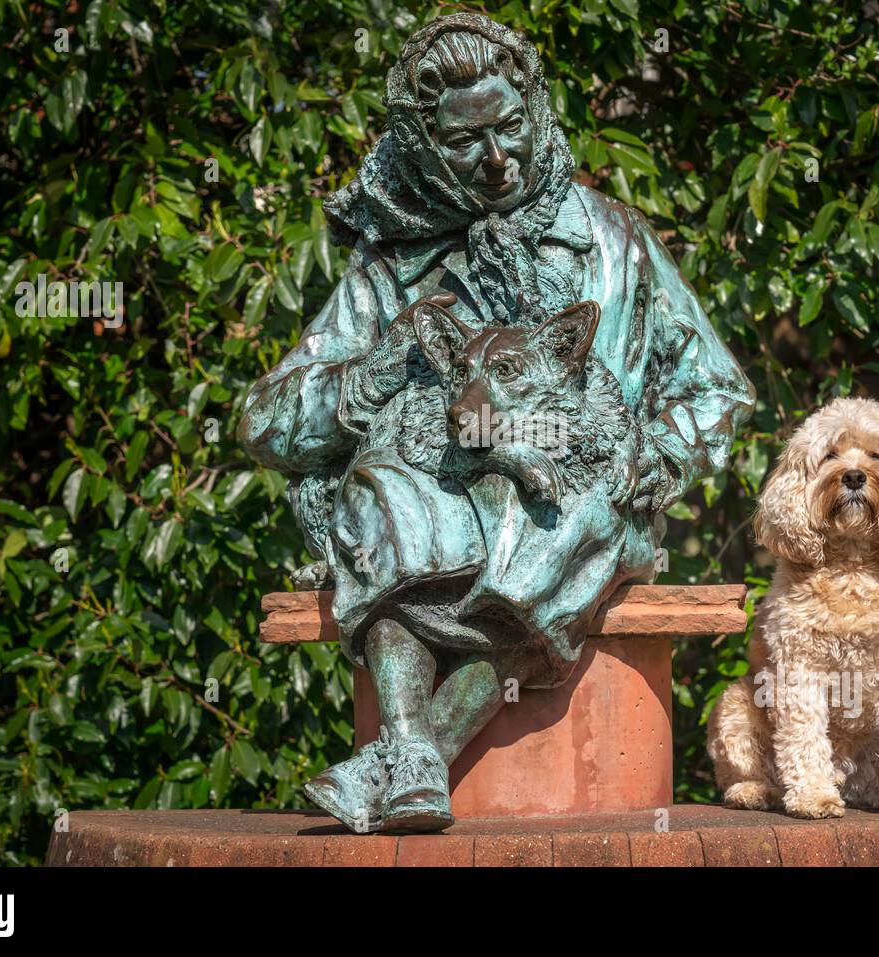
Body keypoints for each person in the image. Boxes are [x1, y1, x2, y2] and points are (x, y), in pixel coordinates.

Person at [238, 12, 754, 833]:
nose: (499, 158)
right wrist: (375, 370)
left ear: (538, 107)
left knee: (563, 524)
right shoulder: (393, 266)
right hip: (437, 502)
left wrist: (661, 452)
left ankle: (413, 758)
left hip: (578, 509)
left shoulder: (613, 241)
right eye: (466, 143)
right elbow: (265, 424)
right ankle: (414, 759)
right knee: (394, 501)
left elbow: (716, 390)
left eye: (512, 127)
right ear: (424, 145)